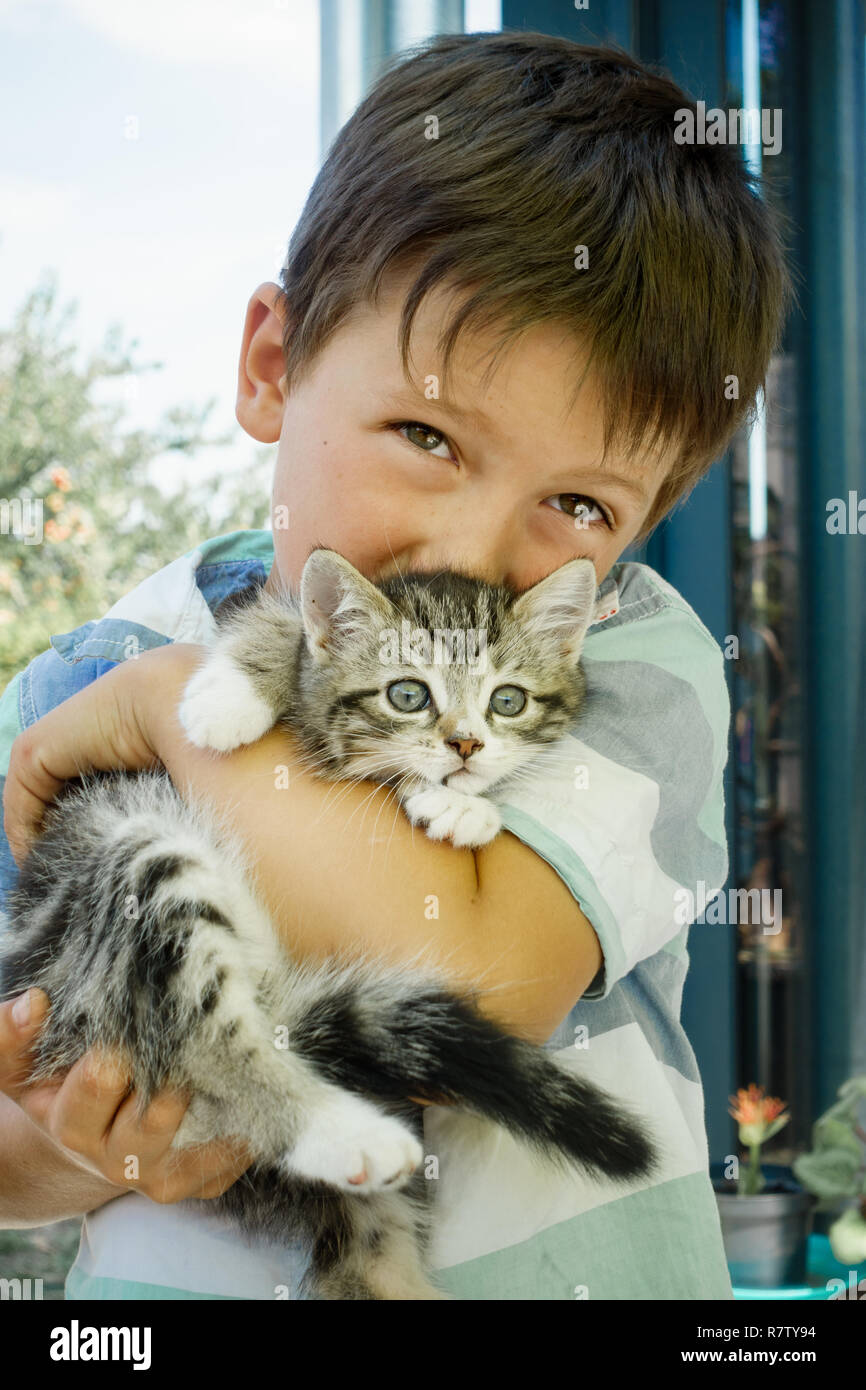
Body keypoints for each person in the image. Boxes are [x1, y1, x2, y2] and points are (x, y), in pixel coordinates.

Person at [0, 32, 790, 1299]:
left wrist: (173, 715)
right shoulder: (82, 672)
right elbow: (14, 1121)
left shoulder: (632, 661)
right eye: (426, 433)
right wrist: (74, 1145)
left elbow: (467, 987)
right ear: (271, 365)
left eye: (578, 505)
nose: (472, 555)